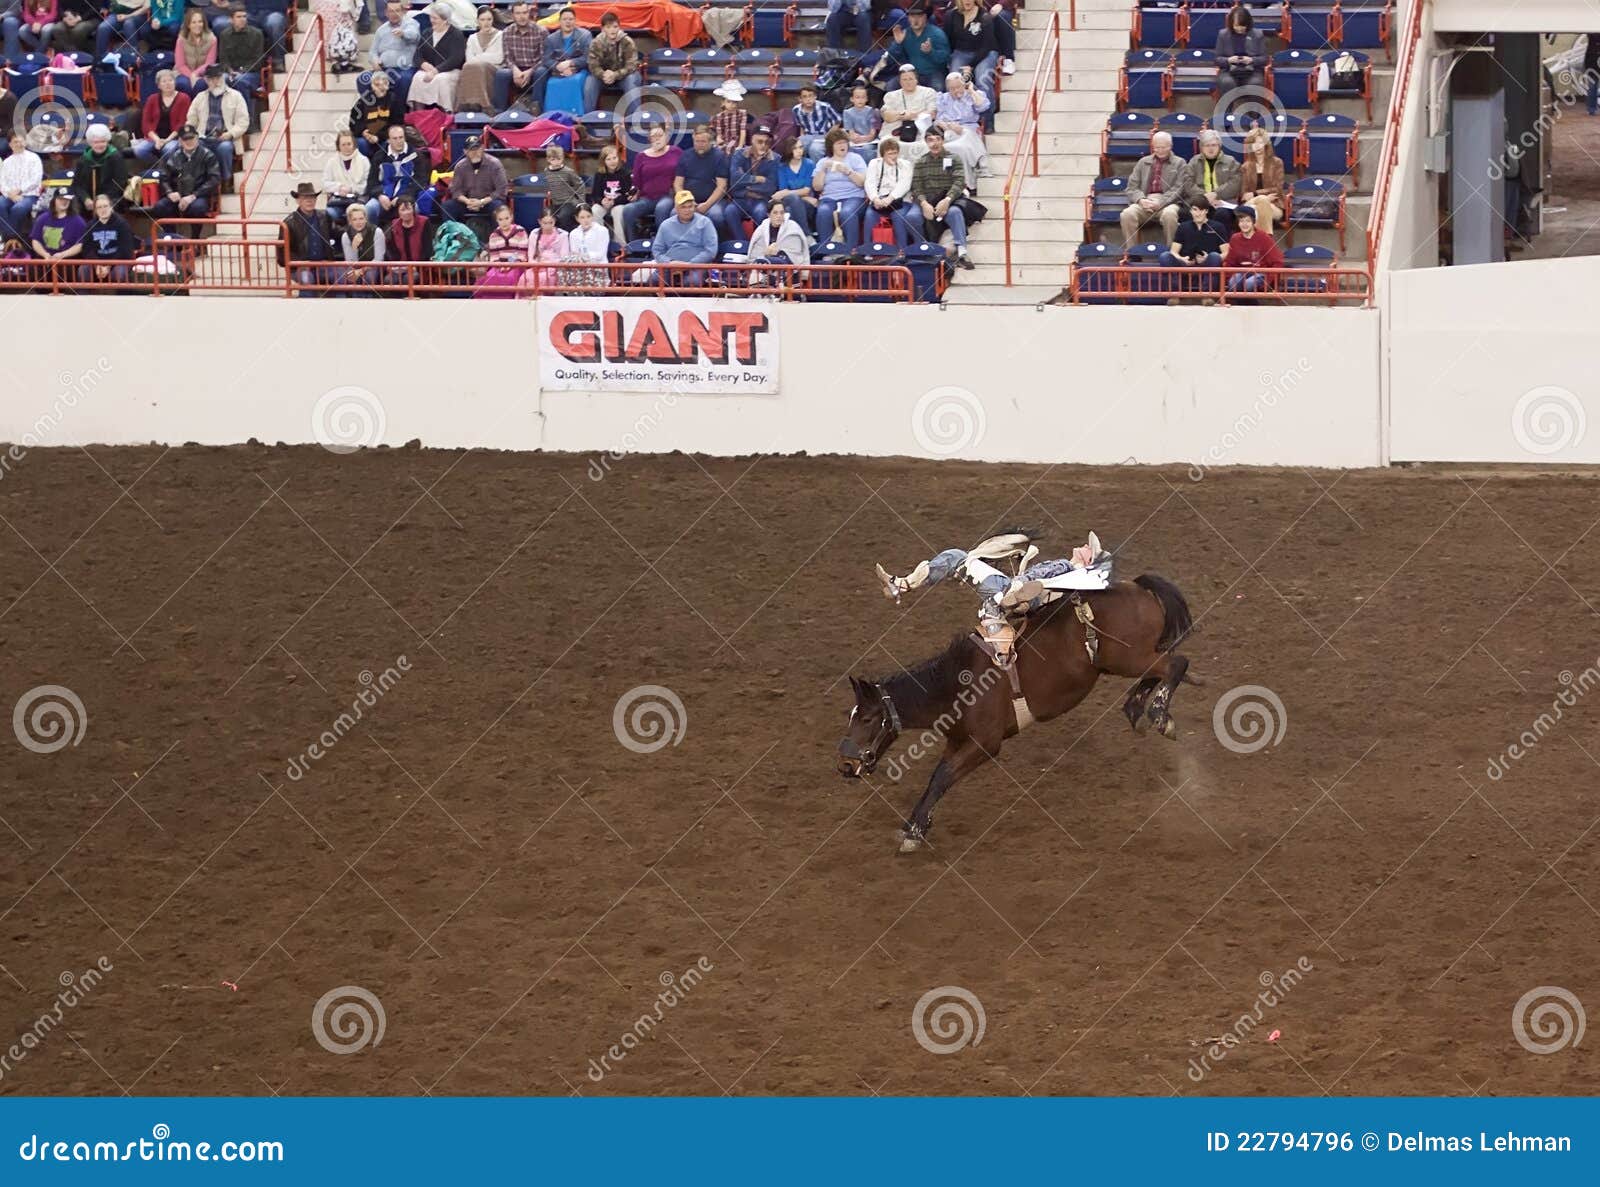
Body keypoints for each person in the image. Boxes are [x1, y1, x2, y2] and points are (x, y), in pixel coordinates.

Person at [876, 532, 1112, 670]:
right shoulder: (1068, 574)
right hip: (1013, 590)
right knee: (967, 569)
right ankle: (1000, 637)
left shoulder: (1064, 566)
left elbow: (1037, 580)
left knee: (957, 557)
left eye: (1086, 548)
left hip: (1009, 588)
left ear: (1088, 560)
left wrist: (1017, 585)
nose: (1082, 546)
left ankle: (900, 585)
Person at [905, 125, 974, 267]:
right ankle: (922, 249)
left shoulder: (954, 158)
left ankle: (962, 252)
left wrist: (947, 200)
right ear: (925, 142)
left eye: (937, 139)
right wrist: (924, 203)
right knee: (912, 216)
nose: (934, 143)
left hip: (948, 198)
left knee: (955, 212)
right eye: (930, 140)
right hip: (927, 200)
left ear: (943, 140)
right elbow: (916, 186)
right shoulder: (920, 162)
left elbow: (959, 182)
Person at [1169, 127, 1240, 239]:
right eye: (1207, 145)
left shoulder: (1230, 161)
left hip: (1223, 202)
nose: (1211, 149)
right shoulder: (1194, 162)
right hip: (1198, 201)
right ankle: (1191, 247)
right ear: (1201, 147)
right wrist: (1205, 198)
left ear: (1219, 146)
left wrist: (1216, 194)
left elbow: (1235, 183)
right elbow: (1188, 183)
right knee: (1184, 213)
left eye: (1214, 145)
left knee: (1222, 214)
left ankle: (1222, 247)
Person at [728, 125, 798, 236]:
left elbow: (770, 187)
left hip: (762, 200)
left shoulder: (775, 159)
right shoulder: (739, 155)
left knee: (760, 212)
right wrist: (758, 179)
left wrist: (745, 185)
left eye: (767, 142)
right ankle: (741, 244)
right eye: (759, 141)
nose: (763, 145)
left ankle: (759, 242)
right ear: (752, 140)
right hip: (741, 199)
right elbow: (734, 180)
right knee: (729, 211)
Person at [618, 122, 681, 242]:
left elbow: (683, 173)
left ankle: (661, 244)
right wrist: (634, 193)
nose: (657, 139)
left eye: (660, 135)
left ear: (666, 137)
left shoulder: (676, 152)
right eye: (654, 136)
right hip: (646, 198)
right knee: (628, 210)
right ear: (649, 139)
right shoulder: (641, 156)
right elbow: (636, 181)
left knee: (661, 208)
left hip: (668, 196)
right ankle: (633, 244)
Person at [1119, 129, 1184, 245]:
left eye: (1163, 147)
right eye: (1157, 147)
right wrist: (1141, 200)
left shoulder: (1180, 163)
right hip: (1145, 201)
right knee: (1127, 214)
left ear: (1171, 146)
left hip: (1168, 203)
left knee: (1170, 214)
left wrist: (1160, 202)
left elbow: (1179, 188)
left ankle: (1172, 252)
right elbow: (1131, 187)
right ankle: (1132, 252)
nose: (1160, 150)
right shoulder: (1143, 162)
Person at [672, 125, 735, 240]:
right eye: (697, 141)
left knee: (716, 216)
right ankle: (681, 246)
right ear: (693, 139)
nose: (700, 144)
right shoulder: (685, 155)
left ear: (710, 141)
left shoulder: (719, 157)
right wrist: (687, 202)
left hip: (713, 201)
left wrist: (707, 205)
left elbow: (722, 186)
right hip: (688, 200)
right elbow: (678, 184)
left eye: (703, 141)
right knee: (673, 214)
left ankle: (716, 246)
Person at [186, 64, 249, 177]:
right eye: (212, 79)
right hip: (202, 137)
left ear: (223, 78)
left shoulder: (236, 96)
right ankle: (200, 181)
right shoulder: (200, 97)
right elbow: (191, 121)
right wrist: (191, 135)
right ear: (206, 80)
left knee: (224, 148)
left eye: (218, 78)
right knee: (193, 147)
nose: (216, 82)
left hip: (225, 137)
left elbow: (243, 122)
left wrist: (230, 134)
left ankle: (226, 180)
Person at [1160, 197, 1226, 300]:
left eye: (1202, 210)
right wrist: (1182, 259)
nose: (1198, 213)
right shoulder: (1183, 227)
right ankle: (1175, 295)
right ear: (1190, 211)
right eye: (1195, 209)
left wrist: (1207, 258)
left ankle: (1206, 296)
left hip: (1207, 263)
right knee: (1165, 256)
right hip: (1186, 263)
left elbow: (1226, 252)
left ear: (1207, 211)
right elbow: (1174, 251)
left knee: (1214, 256)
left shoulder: (1218, 227)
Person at [811, 127, 867, 247]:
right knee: (823, 211)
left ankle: (852, 250)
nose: (843, 146)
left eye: (845, 142)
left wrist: (849, 172)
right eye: (839, 143)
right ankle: (826, 249)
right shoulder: (823, 162)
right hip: (829, 197)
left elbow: (862, 182)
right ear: (831, 146)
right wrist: (823, 170)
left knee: (847, 212)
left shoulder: (855, 158)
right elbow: (817, 187)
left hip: (853, 196)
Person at [443, 133, 506, 238]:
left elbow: (501, 190)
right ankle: (453, 239)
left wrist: (481, 202)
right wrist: (467, 201)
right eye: (471, 150)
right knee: (448, 206)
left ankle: (498, 239)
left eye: (477, 148)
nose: (475, 152)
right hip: (468, 202)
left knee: (498, 207)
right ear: (465, 152)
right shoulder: (460, 166)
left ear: (482, 148)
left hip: (488, 201)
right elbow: (456, 190)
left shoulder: (494, 164)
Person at [151, 125, 220, 219]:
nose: (189, 141)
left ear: (197, 137)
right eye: (185, 139)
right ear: (179, 140)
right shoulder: (173, 156)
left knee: (197, 208)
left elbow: (214, 180)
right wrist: (169, 192)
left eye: (191, 138)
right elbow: (163, 177)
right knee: (160, 207)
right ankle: (171, 233)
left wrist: (194, 195)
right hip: (177, 195)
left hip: (198, 195)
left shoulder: (208, 155)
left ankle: (195, 234)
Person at [365, 123, 430, 223]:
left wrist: (403, 197)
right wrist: (380, 195)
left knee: (415, 209)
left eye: (401, 137)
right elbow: (371, 183)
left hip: (407, 196)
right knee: (369, 208)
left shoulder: (416, 155)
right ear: (389, 140)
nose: (399, 141)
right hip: (384, 197)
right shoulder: (379, 156)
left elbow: (421, 182)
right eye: (394, 138)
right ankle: (372, 236)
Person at [649, 189, 716, 284]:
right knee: (654, 281)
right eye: (683, 207)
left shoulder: (705, 222)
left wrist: (690, 264)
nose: (687, 210)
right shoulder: (666, 225)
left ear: (694, 207)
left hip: (696, 266)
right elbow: (657, 250)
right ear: (676, 208)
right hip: (670, 267)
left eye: (690, 206)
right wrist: (669, 263)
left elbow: (711, 250)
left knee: (692, 282)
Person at [934, 71, 990, 185]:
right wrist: (945, 125)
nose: (955, 91)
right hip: (949, 130)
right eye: (952, 88)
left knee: (964, 141)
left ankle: (972, 179)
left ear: (964, 84)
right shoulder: (943, 98)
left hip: (970, 128)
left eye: (958, 87)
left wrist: (971, 90)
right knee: (952, 146)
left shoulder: (973, 94)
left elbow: (983, 106)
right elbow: (938, 120)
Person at [280, 180, 336, 293]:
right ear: (298, 200)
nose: (309, 201)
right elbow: (282, 253)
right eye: (305, 198)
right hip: (301, 267)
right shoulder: (289, 222)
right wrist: (302, 263)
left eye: (312, 197)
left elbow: (337, 233)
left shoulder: (324, 216)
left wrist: (353, 233)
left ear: (316, 200)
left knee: (342, 277)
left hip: (324, 265)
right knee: (306, 279)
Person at [409, 2, 465, 111]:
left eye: (435, 18)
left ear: (445, 20)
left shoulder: (456, 34)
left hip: (450, 70)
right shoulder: (426, 33)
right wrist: (423, 64)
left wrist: (436, 71)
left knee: (441, 80)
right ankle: (418, 116)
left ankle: (447, 115)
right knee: (417, 78)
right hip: (429, 69)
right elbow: (417, 54)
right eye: (431, 17)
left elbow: (455, 59)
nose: (432, 20)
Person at [880, 4, 950, 89]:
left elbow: (945, 60)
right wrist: (898, 43)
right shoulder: (904, 33)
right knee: (891, 86)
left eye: (919, 16)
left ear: (925, 17)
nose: (916, 20)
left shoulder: (937, 34)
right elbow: (890, 60)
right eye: (912, 16)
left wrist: (930, 52)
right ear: (908, 18)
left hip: (933, 73)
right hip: (912, 74)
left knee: (938, 88)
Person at [945, 0, 998, 110]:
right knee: (954, 79)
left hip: (985, 53)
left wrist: (971, 65)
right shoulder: (951, 15)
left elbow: (986, 45)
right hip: (961, 51)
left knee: (982, 79)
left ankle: (988, 122)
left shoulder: (984, 16)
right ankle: (958, 115)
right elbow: (949, 40)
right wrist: (950, 59)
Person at [217, 6, 266, 123]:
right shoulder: (224, 35)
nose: (242, 19)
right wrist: (229, 71)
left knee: (240, 80)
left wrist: (242, 70)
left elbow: (258, 60)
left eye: (244, 16)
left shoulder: (257, 34)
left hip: (251, 74)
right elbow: (223, 59)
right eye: (239, 17)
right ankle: (221, 122)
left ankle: (246, 120)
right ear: (231, 19)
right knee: (220, 80)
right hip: (230, 72)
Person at [585, 11, 640, 114]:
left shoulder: (627, 41)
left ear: (619, 27)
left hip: (624, 75)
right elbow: (593, 65)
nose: (612, 30)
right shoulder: (596, 43)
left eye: (615, 27)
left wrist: (615, 75)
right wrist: (603, 74)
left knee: (631, 80)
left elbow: (631, 66)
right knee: (590, 81)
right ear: (603, 29)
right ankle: (588, 119)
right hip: (603, 77)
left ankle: (635, 118)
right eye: (609, 27)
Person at [862, 135, 913, 247]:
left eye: (895, 153)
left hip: (899, 201)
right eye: (890, 154)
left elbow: (905, 184)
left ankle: (901, 251)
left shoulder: (905, 165)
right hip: (879, 201)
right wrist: (875, 198)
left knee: (898, 217)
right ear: (882, 155)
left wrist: (890, 198)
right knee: (870, 215)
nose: (893, 156)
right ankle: (867, 250)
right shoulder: (874, 164)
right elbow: (870, 182)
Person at [494, 1, 545, 112]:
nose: (522, 16)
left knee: (541, 72)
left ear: (529, 13)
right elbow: (507, 57)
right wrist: (515, 70)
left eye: (524, 12)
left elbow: (544, 58)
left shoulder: (541, 31)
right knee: (501, 73)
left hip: (534, 69)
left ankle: (536, 110)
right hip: (516, 69)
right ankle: (499, 112)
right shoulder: (507, 32)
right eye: (518, 13)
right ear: (513, 15)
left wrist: (530, 71)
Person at [1222, 203, 1281, 296]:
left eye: (1248, 221)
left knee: (1249, 283)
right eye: (1241, 221)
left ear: (1253, 222)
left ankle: (1248, 305)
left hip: (1260, 273)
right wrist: (1228, 277)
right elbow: (1229, 262)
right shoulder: (1235, 238)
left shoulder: (1264, 238)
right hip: (1241, 272)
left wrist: (1269, 282)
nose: (1244, 224)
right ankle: (1244, 305)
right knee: (1234, 282)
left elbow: (1277, 261)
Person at [538, 6, 590, 111]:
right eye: (565, 19)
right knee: (552, 83)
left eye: (571, 19)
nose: (568, 22)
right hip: (558, 72)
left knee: (574, 81)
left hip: (579, 70)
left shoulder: (585, 35)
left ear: (575, 21)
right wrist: (558, 67)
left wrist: (571, 63)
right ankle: (552, 115)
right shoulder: (551, 38)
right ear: (559, 22)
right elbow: (546, 59)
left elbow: (587, 58)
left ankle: (576, 115)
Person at [746, 197, 808, 284]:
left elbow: (796, 255)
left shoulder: (793, 228)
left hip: (790, 270)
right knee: (759, 263)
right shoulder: (761, 230)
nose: (779, 216)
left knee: (769, 262)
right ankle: (755, 293)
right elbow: (754, 256)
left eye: (781, 213)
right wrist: (766, 253)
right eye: (775, 213)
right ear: (768, 214)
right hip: (766, 268)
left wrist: (779, 252)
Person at [133, 69, 190, 162]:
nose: (168, 83)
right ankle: (159, 166)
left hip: (174, 138)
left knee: (168, 149)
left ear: (175, 82)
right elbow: (146, 123)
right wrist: (157, 140)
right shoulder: (152, 98)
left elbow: (182, 123)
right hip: (154, 137)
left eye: (170, 80)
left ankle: (165, 169)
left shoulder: (184, 98)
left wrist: (167, 140)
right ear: (159, 85)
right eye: (164, 81)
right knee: (139, 150)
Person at [69, 125, 130, 212]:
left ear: (107, 141)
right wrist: (85, 199)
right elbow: (77, 184)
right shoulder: (84, 159)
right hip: (89, 198)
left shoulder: (115, 157)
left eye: (103, 142)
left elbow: (120, 183)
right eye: (96, 142)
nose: (100, 145)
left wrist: (102, 199)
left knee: (107, 207)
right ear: (90, 143)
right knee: (74, 205)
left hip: (111, 197)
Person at [1236, 124, 1284, 234]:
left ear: (1266, 144)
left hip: (1274, 204)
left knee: (1262, 204)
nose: (1257, 146)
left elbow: (1277, 189)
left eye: (1260, 142)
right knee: (1261, 201)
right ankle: (1267, 238)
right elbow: (1244, 194)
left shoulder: (1277, 163)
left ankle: (1257, 241)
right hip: (1251, 203)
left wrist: (1255, 194)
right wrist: (1262, 197)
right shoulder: (1246, 167)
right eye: (1253, 143)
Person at [473, 201, 528, 295]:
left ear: (511, 217)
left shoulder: (520, 231)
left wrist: (509, 264)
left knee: (510, 278)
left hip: (517, 265)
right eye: (500, 219)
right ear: (497, 221)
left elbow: (521, 253)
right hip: (498, 266)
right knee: (488, 278)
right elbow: (494, 257)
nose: (504, 222)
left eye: (506, 218)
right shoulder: (494, 235)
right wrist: (500, 265)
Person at [0, 130, 44, 244]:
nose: (18, 144)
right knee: (0, 204)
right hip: (10, 195)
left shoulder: (34, 158)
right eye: (15, 142)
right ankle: (12, 238)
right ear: (10, 144)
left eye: (21, 141)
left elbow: (36, 180)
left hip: (29, 195)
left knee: (18, 208)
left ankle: (9, 240)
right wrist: (10, 194)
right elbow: (2, 182)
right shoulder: (7, 162)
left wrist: (20, 190)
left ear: (25, 142)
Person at [350, 68, 406, 158]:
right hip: (366, 137)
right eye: (377, 84)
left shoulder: (394, 100)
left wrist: (378, 136)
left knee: (389, 144)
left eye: (384, 83)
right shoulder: (363, 100)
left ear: (387, 85)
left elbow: (397, 124)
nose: (381, 86)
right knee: (359, 143)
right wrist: (363, 132)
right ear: (372, 86)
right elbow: (354, 121)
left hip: (385, 138)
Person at [83, 193, 136, 285]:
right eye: (99, 207)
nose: (103, 210)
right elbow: (87, 249)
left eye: (105, 206)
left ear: (111, 207)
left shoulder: (122, 224)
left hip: (118, 261)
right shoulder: (90, 226)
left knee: (119, 273)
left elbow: (125, 250)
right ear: (95, 210)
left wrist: (109, 265)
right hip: (98, 262)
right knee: (83, 271)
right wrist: (97, 265)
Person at [456, 5, 502, 112]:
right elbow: (469, 60)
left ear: (493, 20)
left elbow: (499, 57)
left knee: (476, 66)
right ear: (478, 21)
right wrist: (484, 57)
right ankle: (468, 103)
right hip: (475, 68)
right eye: (482, 19)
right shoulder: (472, 38)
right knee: (469, 67)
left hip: (494, 69)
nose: (486, 22)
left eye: (489, 19)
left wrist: (478, 57)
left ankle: (483, 104)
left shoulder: (501, 35)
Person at [882, 64, 938, 148]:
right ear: (900, 82)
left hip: (921, 131)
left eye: (911, 79)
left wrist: (913, 115)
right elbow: (886, 116)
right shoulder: (891, 95)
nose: (908, 82)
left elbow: (932, 113)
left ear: (916, 80)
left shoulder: (928, 92)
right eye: (904, 79)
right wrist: (903, 115)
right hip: (896, 131)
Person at [369, 0, 420, 93]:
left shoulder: (411, 23)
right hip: (384, 69)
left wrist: (403, 33)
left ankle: (398, 108)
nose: (394, 14)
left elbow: (414, 35)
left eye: (397, 10)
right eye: (391, 11)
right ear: (386, 13)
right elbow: (373, 52)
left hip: (405, 68)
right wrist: (375, 61)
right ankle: (376, 107)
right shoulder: (381, 30)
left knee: (404, 79)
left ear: (403, 12)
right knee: (363, 79)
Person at [321, 129, 371, 222]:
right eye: (343, 145)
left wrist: (350, 189)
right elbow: (325, 183)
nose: (346, 147)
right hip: (338, 202)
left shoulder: (364, 161)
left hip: (358, 201)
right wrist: (339, 187)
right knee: (329, 214)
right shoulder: (331, 162)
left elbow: (366, 185)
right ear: (338, 146)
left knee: (358, 216)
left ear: (354, 144)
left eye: (349, 144)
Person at [1214, 5, 1266, 92]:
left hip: (1252, 70)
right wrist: (1228, 60)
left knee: (1255, 83)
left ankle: (1252, 106)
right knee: (1227, 82)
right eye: (1237, 26)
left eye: (1243, 26)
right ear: (1231, 23)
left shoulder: (1258, 34)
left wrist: (1252, 60)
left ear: (1248, 24)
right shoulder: (1223, 34)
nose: (1240, 29)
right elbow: (1217, 59)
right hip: (1228, 70)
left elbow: (1264, 59)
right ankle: (1227, 105)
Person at [773, 135, 817, 237]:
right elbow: (783, 191)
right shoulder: (782, 167)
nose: (799, 151)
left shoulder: (809, 164)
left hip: (808, 206)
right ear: (788, 150)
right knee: (791, 202)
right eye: (795, 148)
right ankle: (807, 236)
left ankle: (794, 238)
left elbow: (806, 190)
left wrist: (789, 193)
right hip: (792, 201)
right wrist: (805, 197)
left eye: (801, 147)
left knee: (788, 211)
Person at [29, 190, 86, 268]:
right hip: (45, 260)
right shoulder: (42, 218)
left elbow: (80, 245)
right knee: (33, 268)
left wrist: (62, 255)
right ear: (54, 200)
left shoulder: (78, 221)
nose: (64, 202)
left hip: (67, 261)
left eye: (67, 199)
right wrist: (45, 255)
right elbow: (35, 241)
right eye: (60, 199)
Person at [384, 194, 435, 280]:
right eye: (402, 210)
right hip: (400, 266)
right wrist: (395, 266)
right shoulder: (394, 224)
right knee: (389, 280)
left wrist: (417, 266)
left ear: (413, 210)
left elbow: (427, 250)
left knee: (409, 279)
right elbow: (392, 249)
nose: (406, 212)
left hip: (419, 266)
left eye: (409, 209)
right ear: (398, 212)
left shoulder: (424, 222)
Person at [537, 143, 586, 230]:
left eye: (559, 159)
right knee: (548, 217)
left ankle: (568, 235)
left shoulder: (568, 171)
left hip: (569, 202)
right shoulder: (546, 171)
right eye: (553, 159)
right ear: (548, 159)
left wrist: (581, 201)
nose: (556, 162)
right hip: (555, 202)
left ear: (562, 158)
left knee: (563, 216)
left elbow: (580, 184)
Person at [588, 142, 630, 241]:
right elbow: (595, 194)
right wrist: (602, 201)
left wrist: (614, 202)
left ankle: (620, 245)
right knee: (595, 210)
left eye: (614, 158)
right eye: (608, 159)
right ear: (603, 161)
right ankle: (599, 241)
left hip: (619, 203)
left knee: (617, 212)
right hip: (604, 203)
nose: (612, 162)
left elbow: (627, 195)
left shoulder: (625, 173)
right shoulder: (599, 174)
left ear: (618, 158)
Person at [339, 201, 385, 291]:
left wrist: (361, 271)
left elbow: (379, 259)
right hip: (356, 268)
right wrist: (354, 247)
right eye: (354, 219)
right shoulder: (346, 236)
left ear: (366, 219)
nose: (358, 222)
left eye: (361, 218)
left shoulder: (377, 232)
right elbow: (351, 262)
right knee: (348, 277)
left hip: (374, 267)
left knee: (369, 277)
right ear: (349, 221)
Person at [792, 82, 841, 161]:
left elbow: (837, 121)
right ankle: (802, 167)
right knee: (796, 146)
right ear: (800, 99)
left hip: (823, 135)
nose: (808, 99)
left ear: (815, 96)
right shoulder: (796, 110)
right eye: (804, 97)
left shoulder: (824, 107)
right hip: (808, 136)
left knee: (815, 149)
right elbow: (801, 126)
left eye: (811, 96)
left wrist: (828, 137)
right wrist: (802, 138)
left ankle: (816, 170)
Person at [523, 204, 567, 289]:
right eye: (545, 223)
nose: (548, 226)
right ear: (539, 221)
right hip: (536, 268)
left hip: (555, 269)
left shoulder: (563, 235)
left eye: (551, 222)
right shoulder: (534, 234)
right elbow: (531, 257)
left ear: (555, 221)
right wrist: (537, 266)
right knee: (524, 279)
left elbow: (564, 258)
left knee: (543, 279)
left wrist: (549, 265)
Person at [173, 7, 216, 94]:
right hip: (183, 73)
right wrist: (191, 76)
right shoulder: (181, 40)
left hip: (204, 74)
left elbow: (209, 63)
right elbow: (180, 65)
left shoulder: (212, 39)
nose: (198, 25)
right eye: (194, 22)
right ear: (188, 25)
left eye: (200, 22)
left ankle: (198, 107)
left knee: (201, 84)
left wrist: (195, 74)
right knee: (183, 84)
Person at [315, 0, 362, 73]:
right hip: (338, 6)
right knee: (341, 31)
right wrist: (355, 12)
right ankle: (342, 62)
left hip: (325, 5)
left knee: (328, 29)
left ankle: (334, 60)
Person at [842, 84, 883, 162]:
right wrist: (853, 137)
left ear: (867, 99)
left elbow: (872, 135)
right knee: (848, 149)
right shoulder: (847, 113)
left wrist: (863, 138)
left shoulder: (873, 111)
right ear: (852, 99)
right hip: (855, 141)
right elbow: (851, 132)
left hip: (869, 141)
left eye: (863, 97)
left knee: (866, 150)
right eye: (857, 97)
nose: (860, 100)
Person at [710, 79, 750, 156]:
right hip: (725, 143)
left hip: (737, 142)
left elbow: (742, 130)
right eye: (729, 102)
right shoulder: (719, 116)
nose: (732, 105)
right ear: (723, 103)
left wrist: (740, 146)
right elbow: (719, 133)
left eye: (735, 102)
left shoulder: (742, 113)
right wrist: (719, 140)